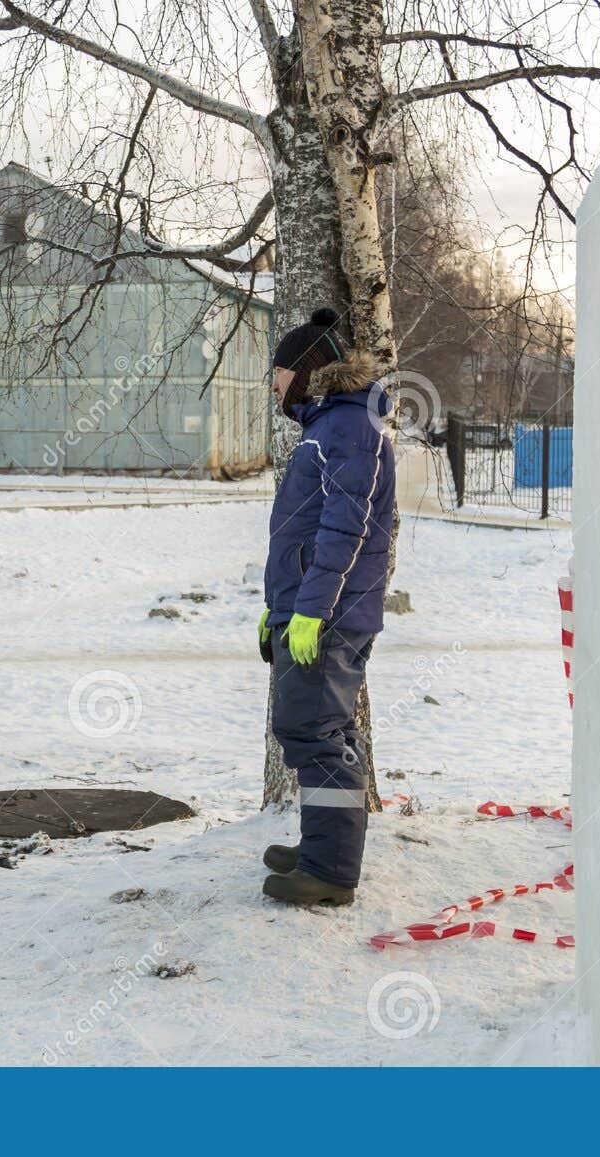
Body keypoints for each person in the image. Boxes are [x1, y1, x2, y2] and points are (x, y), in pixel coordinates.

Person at [258, 308, 396, 906]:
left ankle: (331, 871)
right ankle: (325, 848)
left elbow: (345, 527)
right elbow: (306, 528)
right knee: (325, 729)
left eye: (280, 371)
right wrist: (278, 606)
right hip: (318, 606)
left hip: (331, 614)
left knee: (312, 731)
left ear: (308, 372)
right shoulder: (330, 426)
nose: (273, 384)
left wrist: (311, 611)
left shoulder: (346, 428)